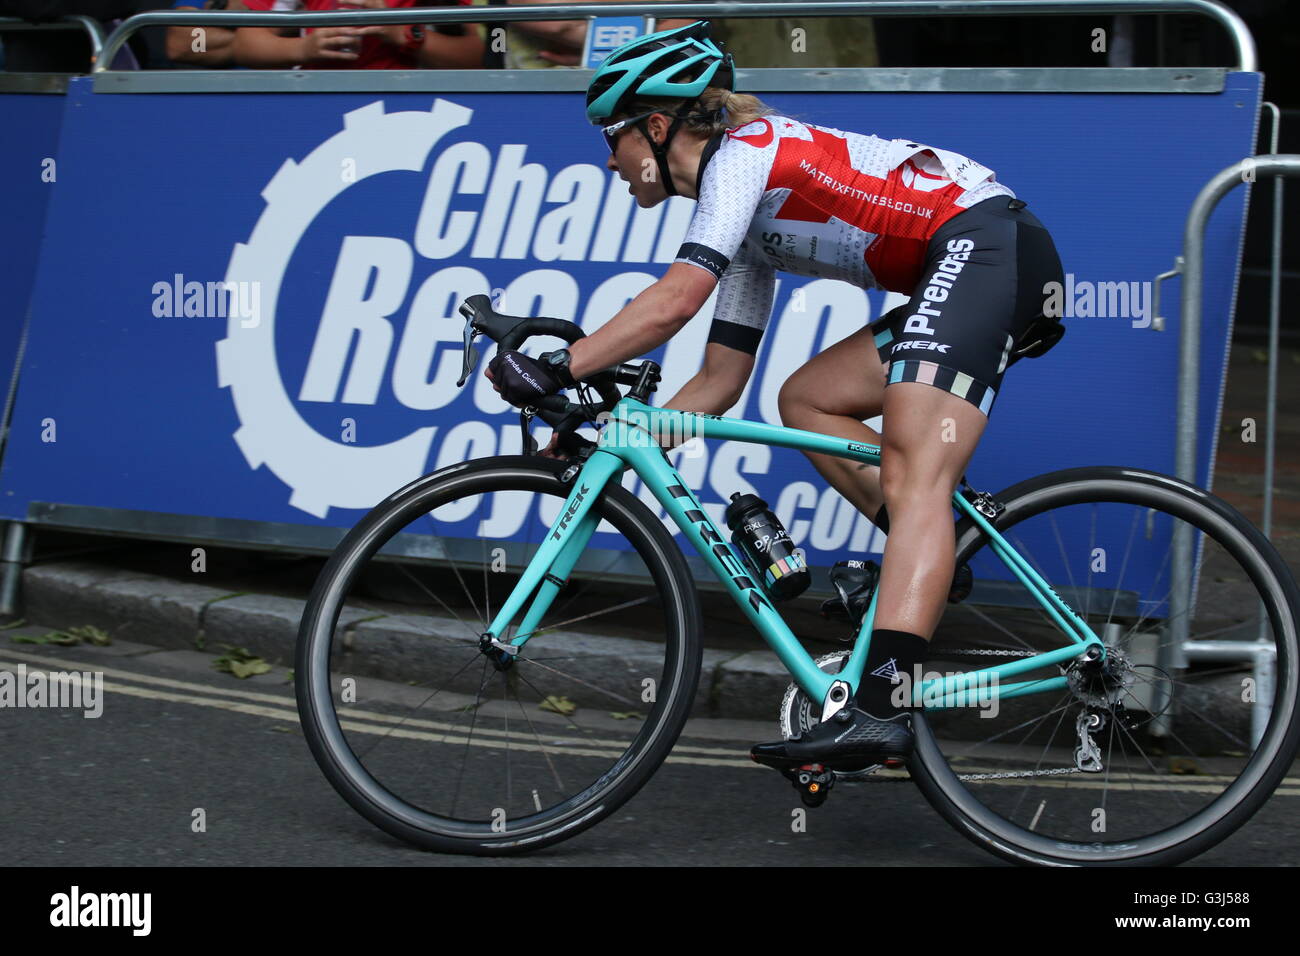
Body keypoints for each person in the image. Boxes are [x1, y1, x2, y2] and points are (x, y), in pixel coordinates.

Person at [484, 21, 1064, 772]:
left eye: (614, 134)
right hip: (968, 266)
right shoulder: (745, 215)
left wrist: (561, 366)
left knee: (918, 472)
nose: (608, 159)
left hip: (987, 250)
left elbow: (672, 303)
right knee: (808, 399)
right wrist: (612, 441)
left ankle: (882, 704)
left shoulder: (746, 154)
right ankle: (929, 554)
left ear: (657, 127)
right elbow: (720, 383)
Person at [233, 0, 481, 70]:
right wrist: (304, 48)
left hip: (404, 103)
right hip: (311, 100)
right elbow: (244, 46)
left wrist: (402, 33)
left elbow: (485, 56)